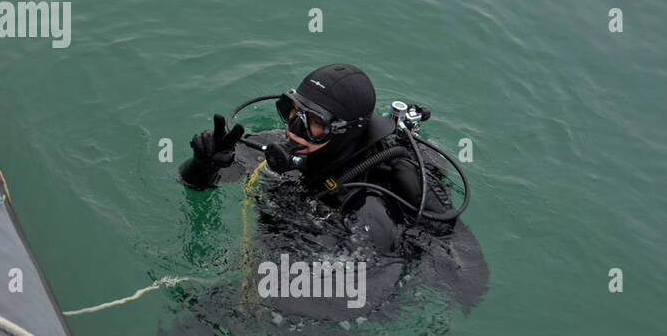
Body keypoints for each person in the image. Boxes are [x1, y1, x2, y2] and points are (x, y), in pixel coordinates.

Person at [179, 63, 463, 252]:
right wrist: (202, 165)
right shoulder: (277, 146)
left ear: (345, 132)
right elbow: (199, 186)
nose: (294, 128)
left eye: (315, 122)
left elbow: (370, 292)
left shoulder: (369, 204)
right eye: (291, 110)